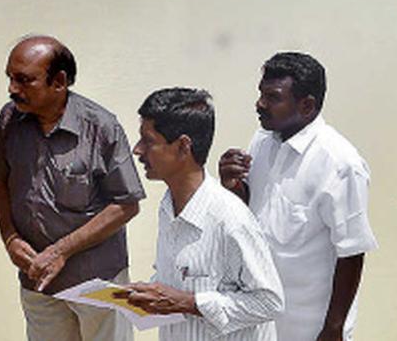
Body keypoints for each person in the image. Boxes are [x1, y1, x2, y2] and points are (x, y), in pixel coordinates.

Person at [0, 35, 144, 341]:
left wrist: (60, 251)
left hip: (97, 282)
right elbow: (1, 178)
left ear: (59, 82)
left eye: (24, 80)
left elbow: (126, 204)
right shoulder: (9, 121)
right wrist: (10, 238)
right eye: (10, 78)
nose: (13, 89)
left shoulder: (102, 128)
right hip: (38, 281)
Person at [218, 52, 377, 341]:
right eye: (260, 94)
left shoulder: (340, 164)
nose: (260, 105)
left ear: (307, 105)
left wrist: (333, 329)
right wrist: (234, 189)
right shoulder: (263, 141)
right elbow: (254, 218)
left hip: (308, 327)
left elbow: (351, 252)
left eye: (273, 97)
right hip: (258, 319)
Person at [122, 87, 284, 340]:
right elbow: (178, 280)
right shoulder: (168, 207)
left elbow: (270, 302)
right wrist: (145, 294)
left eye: (149, 141)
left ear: (183, 146)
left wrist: (190, 303)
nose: (137, 150)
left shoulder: (230, 218)